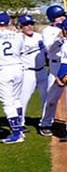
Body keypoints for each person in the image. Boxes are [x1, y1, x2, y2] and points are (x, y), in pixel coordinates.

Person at [38, 4, 67, 136]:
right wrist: (60, 37)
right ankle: (45, 123)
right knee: (51, 98)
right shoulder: (47, 31)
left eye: (63, 15)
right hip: (56, 66)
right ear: (52, 18)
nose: (62, 18)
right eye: (58, 17)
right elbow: (49, 49)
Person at [0, 12, 26, 144]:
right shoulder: (18, 36)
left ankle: (16, 134)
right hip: (18, 67)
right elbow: (21, 50)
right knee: (16, 100)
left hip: (4, 69)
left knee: (8, 103)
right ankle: (20, 129)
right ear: (8, 22)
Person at [18, 15, 47, 123]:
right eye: (26, 25)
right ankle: (20, 123)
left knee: (46, 97)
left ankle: (46, 122)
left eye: (31, 24)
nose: (29, 27)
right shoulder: (18, 38)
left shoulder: (40, 37)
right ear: (21, 26)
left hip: (42, 71)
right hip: (27, 72)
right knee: (23, 99)